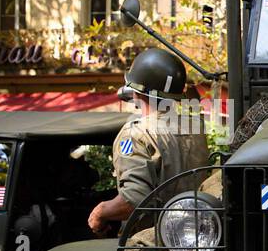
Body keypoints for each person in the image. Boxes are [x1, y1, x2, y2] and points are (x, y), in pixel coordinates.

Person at [88, 48, 210, 235]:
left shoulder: (134, 134)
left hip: (151, 246)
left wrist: (100, 212)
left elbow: (134, 200)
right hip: (195, 236)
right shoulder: (195, 128)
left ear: (136, 92)